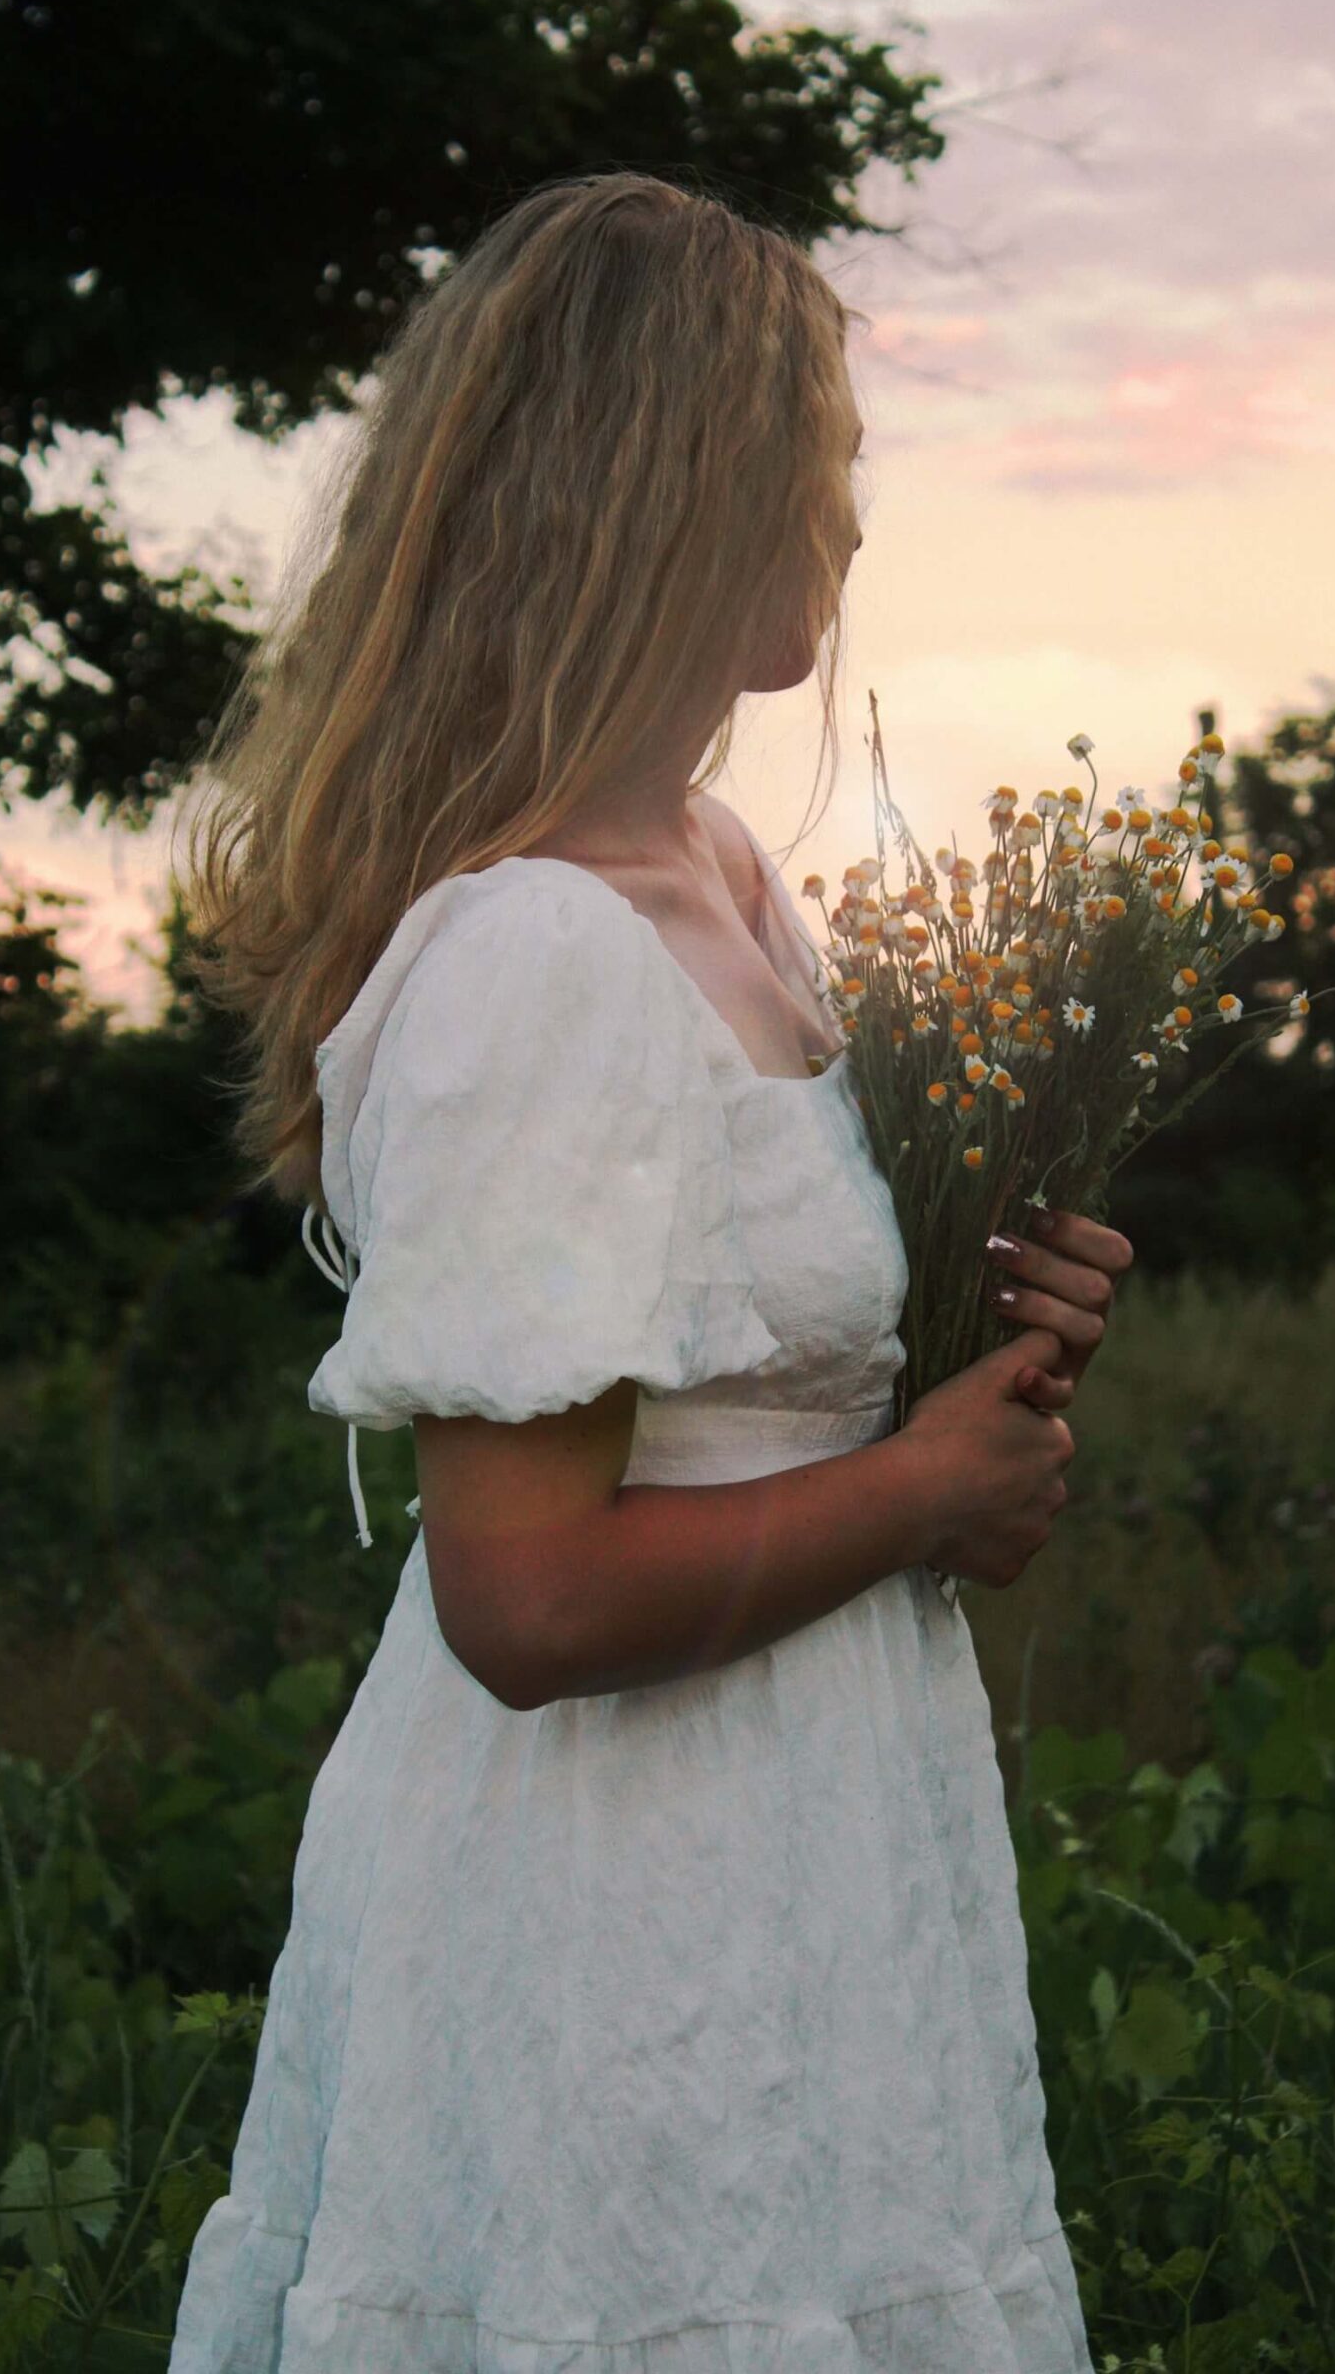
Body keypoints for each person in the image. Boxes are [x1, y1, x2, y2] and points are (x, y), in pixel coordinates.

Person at [167, 168, 1131, 2373]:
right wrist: (920, 1487)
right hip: (621, 1906)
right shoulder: (539, 950)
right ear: (676, 484)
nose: (853, 522)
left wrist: (995, 1334)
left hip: (815, 1840)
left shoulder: (726, 876)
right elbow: (524, 1602)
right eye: (823, 461)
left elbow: (772, 1391)